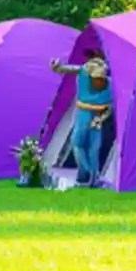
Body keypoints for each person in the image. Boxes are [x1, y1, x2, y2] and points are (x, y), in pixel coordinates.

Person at [51, 50, 113, 187]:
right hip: (83, 113)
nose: (98, 82)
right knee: (78, 144)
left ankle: (91, 175)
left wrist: (100, 119)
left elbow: (109, 107)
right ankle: (86, 171)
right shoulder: (85, 72)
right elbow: (69, 68)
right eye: (96, 78)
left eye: (100, 79)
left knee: (92, 147)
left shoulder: (107, 85)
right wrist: (57, 67)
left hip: (95, 115)